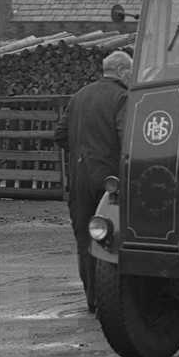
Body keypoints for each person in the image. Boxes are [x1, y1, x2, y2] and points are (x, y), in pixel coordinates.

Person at [55, 49, 132, 312]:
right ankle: (111, 301)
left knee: (84, 239)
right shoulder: (122, 97)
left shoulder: (79, 96)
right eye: (130, 72)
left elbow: (60, 135)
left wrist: (81, 152)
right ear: (121, 71)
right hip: (109, 179)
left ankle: (93, 300)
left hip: (79, 178)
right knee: (111, 238)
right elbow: (126, 139)